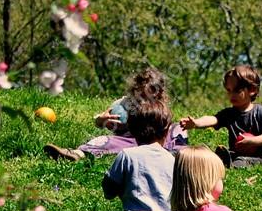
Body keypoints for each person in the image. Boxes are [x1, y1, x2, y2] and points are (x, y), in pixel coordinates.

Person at [44, 66, 188, 161]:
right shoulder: (125, 104)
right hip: (132, 142)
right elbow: (101, 121)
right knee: (103, 140)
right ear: (135, 89)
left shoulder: (160, 108)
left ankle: (180, 155)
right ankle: (75, 154)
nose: (144, 99)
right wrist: (101, 120)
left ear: (159, 93)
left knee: (178, 128)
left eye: (150, 94)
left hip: (160, 143)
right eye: (141, 94)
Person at [179, 65, 262, 168]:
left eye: (237, 90)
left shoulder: (261, 112)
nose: (232, 95)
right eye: (229, 90)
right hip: (236, 154)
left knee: (241, 161)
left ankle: (227, 165)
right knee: (212, 156)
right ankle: (221, 161)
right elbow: (213, 119)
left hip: (261, 158)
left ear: (252, 90)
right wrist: (196, 123)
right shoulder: (229, 113)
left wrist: (252, 141)